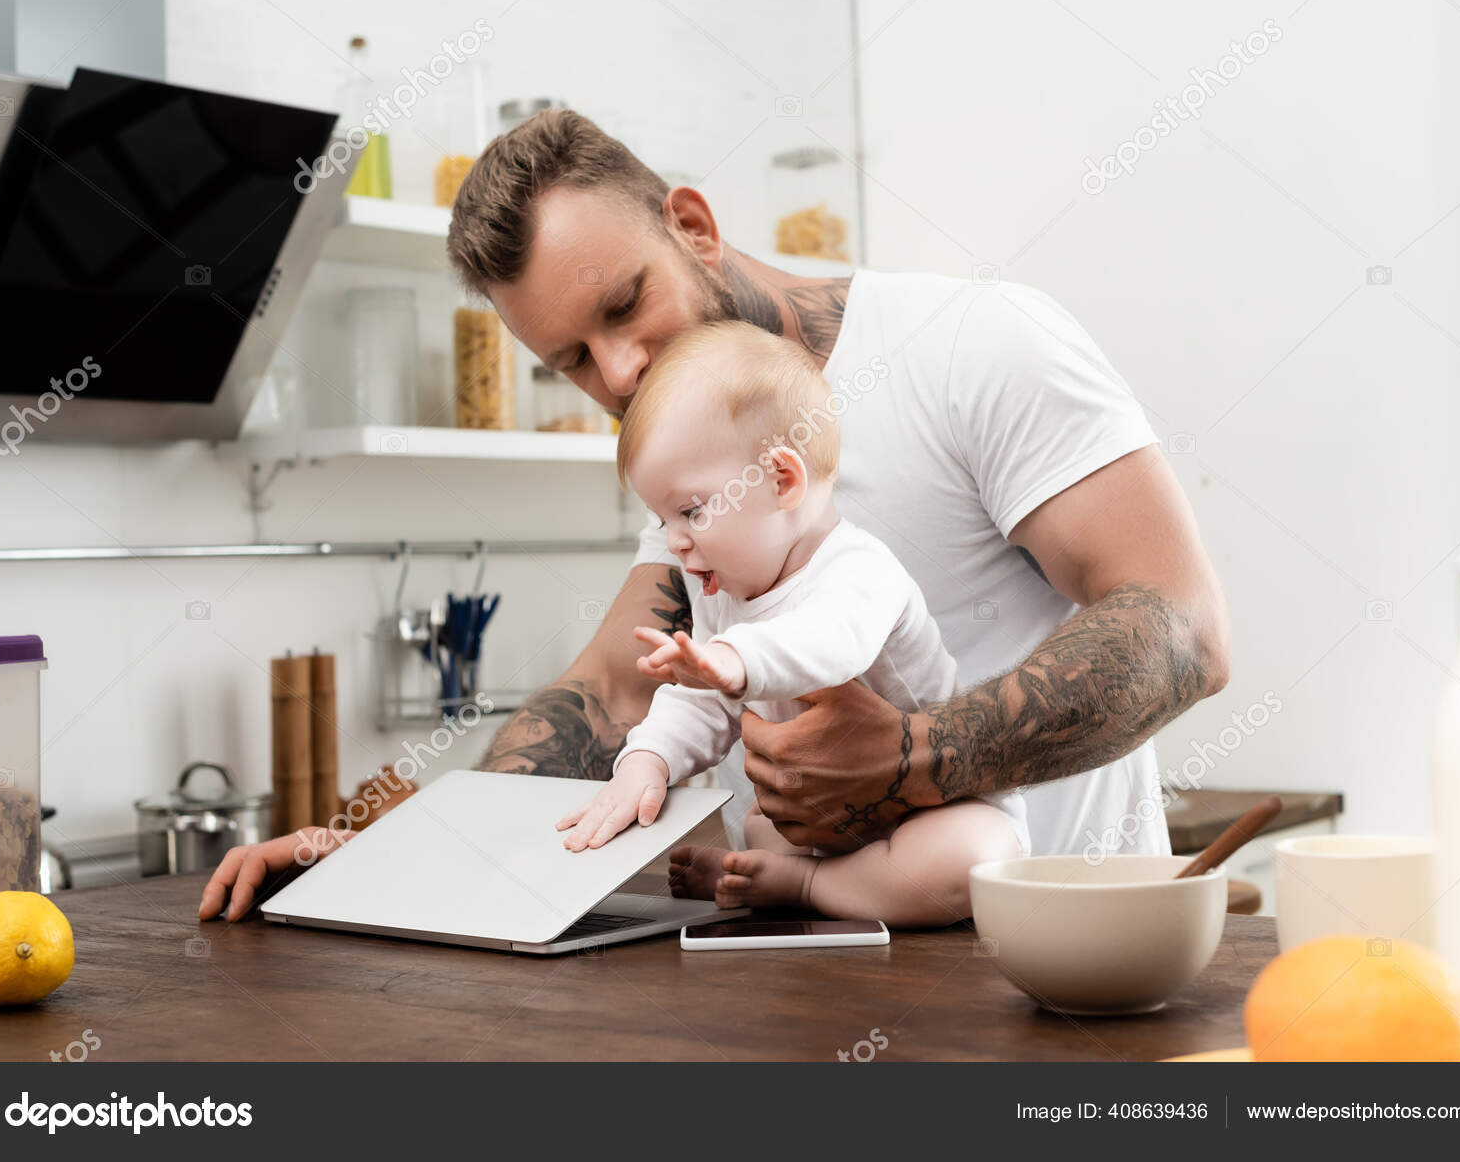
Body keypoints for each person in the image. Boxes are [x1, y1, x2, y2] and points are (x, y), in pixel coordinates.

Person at [201, 109, 1229, 924]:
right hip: (811, 991)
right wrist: (395, 856)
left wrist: (916, 757)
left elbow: (1181, 628)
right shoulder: (693, 462)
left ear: (691, 227)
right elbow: (606, 697)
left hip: (1055, 978)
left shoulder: (972, 346)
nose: (616, 372)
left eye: (622, 305)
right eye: (568, 360)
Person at [555, 321, 1026, 925]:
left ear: (782, 480)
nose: (673, 541)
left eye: (691, 511)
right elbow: (702, 705)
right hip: (828, 825)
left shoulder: (859, 569)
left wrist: (734, 661)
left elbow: (834, 645)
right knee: (760, 822)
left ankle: (803, 886)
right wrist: (646, 761)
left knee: (971, 857)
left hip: (930, 812)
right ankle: (784, 872)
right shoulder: (726, 590)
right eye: (661, 517)